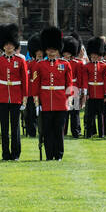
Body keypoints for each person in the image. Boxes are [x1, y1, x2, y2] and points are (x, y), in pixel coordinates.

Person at [34, 25, 73, 161]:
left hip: (60, 101)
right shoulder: (40, 65)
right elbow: (36, 83)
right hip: (45, 101)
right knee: (47, 130)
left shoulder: (65, 64)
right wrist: (36, 100)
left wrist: (69, 99)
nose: (51, 52)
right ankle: (49, 155)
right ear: (46, 50)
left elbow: (69, 84)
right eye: (49, 50)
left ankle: (59, 154)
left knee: (58, 130)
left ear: (58, 50)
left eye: (54, 50)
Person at [0, 24, 29, 161]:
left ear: (14, 45)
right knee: (4, 128)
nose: (8, 47)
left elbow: (25, 80)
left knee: (15, 128)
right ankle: (5, 154)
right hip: (1, 97)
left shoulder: (20, 61)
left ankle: (16, 154)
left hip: (16, 97)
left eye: (10, 44)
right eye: (6, 44)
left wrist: (24, 99)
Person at [82, 38, 106, 138]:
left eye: (96, 56)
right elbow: (85, 81)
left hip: (100, 93)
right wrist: (85, 94)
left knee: (101, 115)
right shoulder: (86, 66)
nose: (94, 57)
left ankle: (101, 133)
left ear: (99, 55)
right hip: (91, 93)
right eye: (92, 56)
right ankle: (89, 133)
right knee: (90, 115)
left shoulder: (103, 66)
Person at [61, 35, 83, 138]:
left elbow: (80, 78)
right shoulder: (60, 63)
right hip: (63, 89)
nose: (66, 54)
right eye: (65, 52)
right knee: (64, 112)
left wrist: (81, 91)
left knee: (75, 112)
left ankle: (76, 131)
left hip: (74, 89)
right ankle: (63, 131)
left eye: (68, 52)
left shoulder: (77, 64)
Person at [24, 35, 42, 137]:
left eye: (41, 51)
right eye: (37, 51)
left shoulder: (45, 64)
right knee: (30, 114)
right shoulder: (30, 64)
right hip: (31, 92)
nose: (39, 53)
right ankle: (31, 132)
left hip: (43, 92)